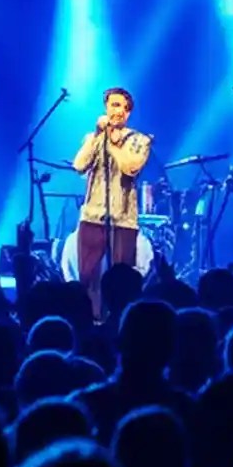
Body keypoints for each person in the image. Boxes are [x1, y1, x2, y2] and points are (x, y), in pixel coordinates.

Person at [72, 87, 151, 322]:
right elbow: (79, 165)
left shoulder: (139, 140)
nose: (118, 111)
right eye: (114, 105)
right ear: (106, 108)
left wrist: (114, 145)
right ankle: (89, 320)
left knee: (121, 277)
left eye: (123, 108)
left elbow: (130, 167)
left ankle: (119, 322)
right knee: (87, 274)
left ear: (128, 113)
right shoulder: (93, 138)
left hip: (123, 218)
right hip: (92, 216)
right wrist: (98, 136)